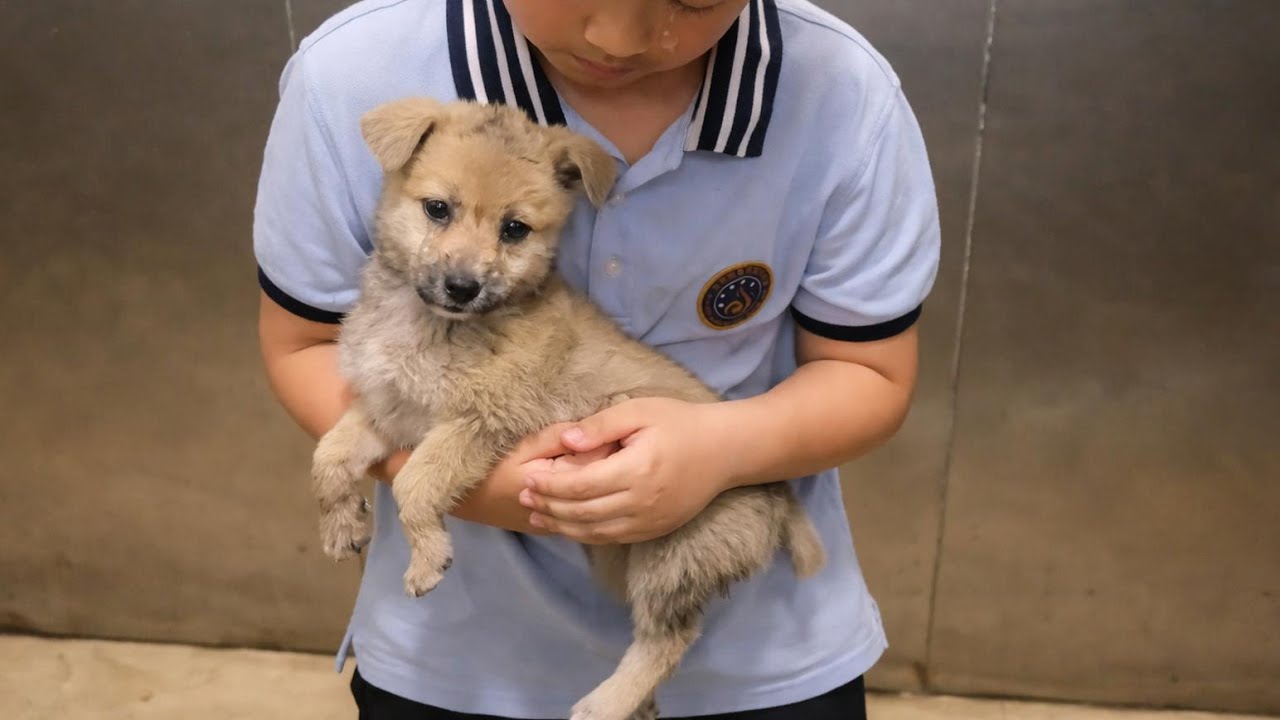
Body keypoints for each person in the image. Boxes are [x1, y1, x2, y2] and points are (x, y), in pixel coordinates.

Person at [254, 0, 940, 717]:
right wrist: (483, 485)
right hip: (453, 653)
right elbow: (306, 344)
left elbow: (870, 372)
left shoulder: (842, 95)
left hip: (760, 654)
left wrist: (724, 451)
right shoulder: (352, 73)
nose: (617, 38)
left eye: (694, 0)